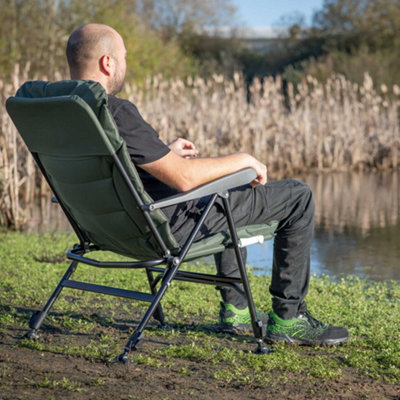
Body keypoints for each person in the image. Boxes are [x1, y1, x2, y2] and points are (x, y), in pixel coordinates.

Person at [65, 23, 349, 346]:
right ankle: (288, 317)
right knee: (298, 196)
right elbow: (185, 179)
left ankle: (237, 310)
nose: (125, 64)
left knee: (225, 189)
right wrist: (244, 158)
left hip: (110, 229)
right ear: (107, 63)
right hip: (167, 226)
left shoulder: (68, 112)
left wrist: (163, 154)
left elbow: (110, 167)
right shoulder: (115, 111)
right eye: (124, 57)